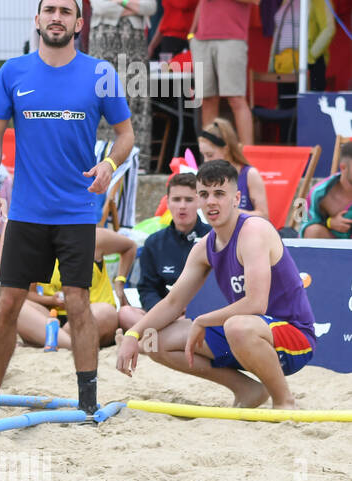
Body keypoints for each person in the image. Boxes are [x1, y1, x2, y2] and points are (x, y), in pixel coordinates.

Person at [0, 0, 134, 421]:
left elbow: (125, 135)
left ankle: (87, 404)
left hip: (77, 209)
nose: (57, 17)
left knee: (77, 300)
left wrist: (109, 165)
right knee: (8, 303)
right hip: (27, 209)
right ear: (38, 19)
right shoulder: (13, 71)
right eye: (50, 10)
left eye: (66, 11)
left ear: (79, 23)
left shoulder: (100, 72)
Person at [118, 160, 315, 410]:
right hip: (248, 334)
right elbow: (173, 302)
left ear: (237, 198)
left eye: (219, 193)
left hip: (294, 337)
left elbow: (256, 303)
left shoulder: (253, 231)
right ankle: (248, 389)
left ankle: (284, 401)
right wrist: (133, 334)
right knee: (153, 340)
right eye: (204, 194)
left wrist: (202, 320)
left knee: (237, 326)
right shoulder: (205, 246)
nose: (211, 201)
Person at [189, 0, 262, 144]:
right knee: (207, 99)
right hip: (202, 38)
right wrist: (192, 33)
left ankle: (247, 159)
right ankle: (209, 159)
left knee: (235, 99)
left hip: (231, 37)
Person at [86, 0, 156, 158]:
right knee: (104, 93)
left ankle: (138, 156)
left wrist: (122, 0)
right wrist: (134, 7)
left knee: (136, 95)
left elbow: (151, 6)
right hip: (105, 40)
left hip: (135, 42)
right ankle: (104, 155)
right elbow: (100, 6)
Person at [118, 171, 209, 331]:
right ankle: (161, 335)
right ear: (167, 203)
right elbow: (147, 289)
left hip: (201, 315)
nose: (182, 206)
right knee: (125, 313)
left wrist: (190, 309)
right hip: (164, 315)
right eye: (176, 199)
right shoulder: (154, 242)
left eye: (189, 200)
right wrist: (163, 311)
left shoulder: (212, 238)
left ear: (199, 202)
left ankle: (157, 338)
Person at [16, 227, 134, 349]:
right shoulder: (38, 243)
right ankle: (65, 343)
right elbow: (29, 294)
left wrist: (120, 282)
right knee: (16, 304)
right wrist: (51, 300)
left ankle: (52, 341)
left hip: (91, 313)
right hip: (52, 317)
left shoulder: (94, 236)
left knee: (106, 311)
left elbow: (129, 247)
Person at [272, 0, 335, 98]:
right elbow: (279, 30)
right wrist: (273, 61)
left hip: (308, 65)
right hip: (285, 63)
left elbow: (329, 28)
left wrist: (309, 56)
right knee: (286, 113)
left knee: (307, 112)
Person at [198, 117, 267, 221]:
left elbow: (264, 215)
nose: (206, 161)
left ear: (226, 149)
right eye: (203, 156)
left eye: (210, 155)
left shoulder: (249, 174)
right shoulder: (206, 177)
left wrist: (231, 211)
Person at [300, 140, 352, 239]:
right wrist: (329, 223)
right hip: (334, 245)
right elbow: (303, 222)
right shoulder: (320, 192)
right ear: (343, 167)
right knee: (312, 231)